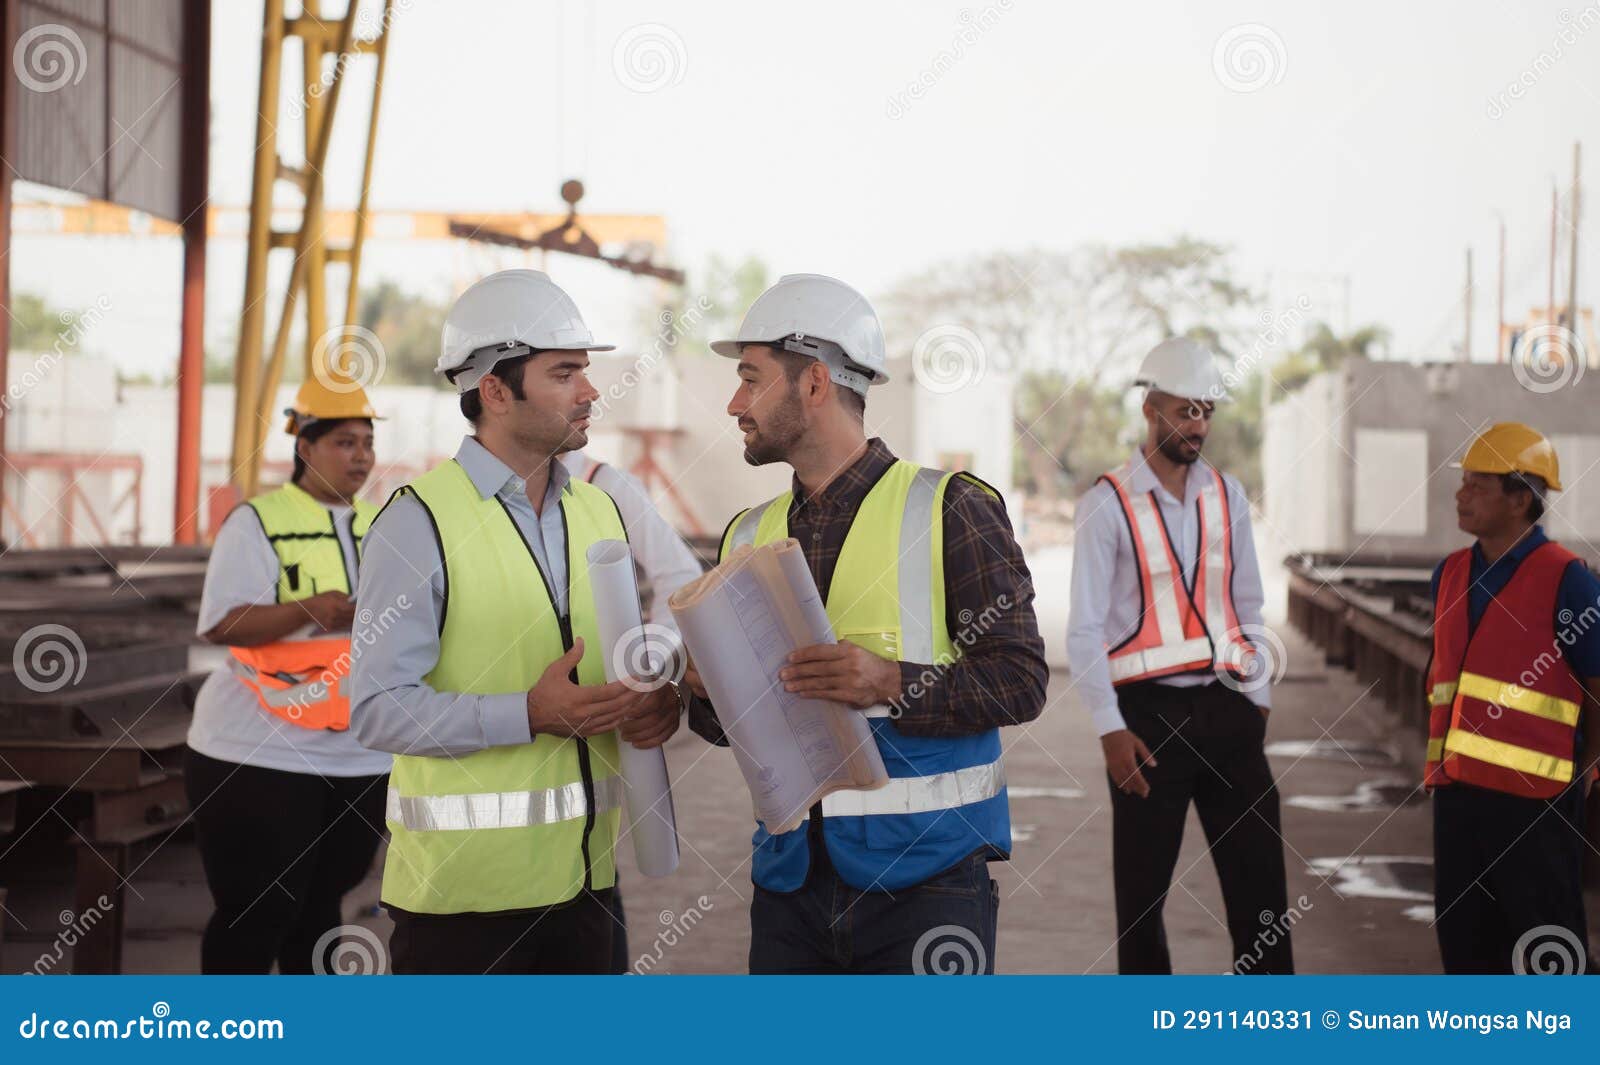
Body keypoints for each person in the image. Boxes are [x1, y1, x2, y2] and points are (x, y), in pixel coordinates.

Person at [685, 273, 1048, 974]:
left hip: (929, 883)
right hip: (789, 885)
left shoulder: (949, 509)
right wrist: (705, 693)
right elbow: (723, 729)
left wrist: (889, 680)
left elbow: (1021, 681)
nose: (734, 403)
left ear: (814, 384)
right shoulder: (745, 535)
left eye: (751, 379)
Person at [349, 269, 682, 974]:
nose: (590, 391)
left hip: (586, 887)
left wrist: (653, 701)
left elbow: (619, 662)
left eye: (584, 372)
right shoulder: (418, 523)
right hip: (463, 908)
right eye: (565, 373)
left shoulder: (598, 511)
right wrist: (525, 712)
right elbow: (376, 711)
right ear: (495, 391)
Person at [1066, 336, 1292, 975]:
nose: (1197, 424)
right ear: (1151, 409)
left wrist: (1258, 701)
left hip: (1228, 712)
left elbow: (1248, 605)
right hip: (1146, 725)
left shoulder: (1228, 495)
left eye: (1207, 411)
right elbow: (1083, 629)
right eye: (1184, 410)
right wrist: (1111, 729)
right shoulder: (1105, 504)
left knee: (1262, 898)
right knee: (1141, 904)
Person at [185, 377, 390, 974]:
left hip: (356, 752)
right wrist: (311, 608)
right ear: (306, 446)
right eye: (345, 442)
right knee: (258, 911)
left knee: (322, 907)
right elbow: (222, 623)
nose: (360, 456)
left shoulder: (384, 523)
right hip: (257, 749)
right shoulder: (257, 521)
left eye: (367, 443)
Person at [1425, 422, 1600, 974]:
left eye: (1478, 485)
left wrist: (1589, 768)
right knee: (1466, 948)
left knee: (1546, 955)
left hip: (1536, 806)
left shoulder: (1568, 580)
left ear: (1521, 497)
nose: (1461, 494)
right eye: (1464, 483)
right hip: (1457, 797)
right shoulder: (1449, 573)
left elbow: (1597, 685)